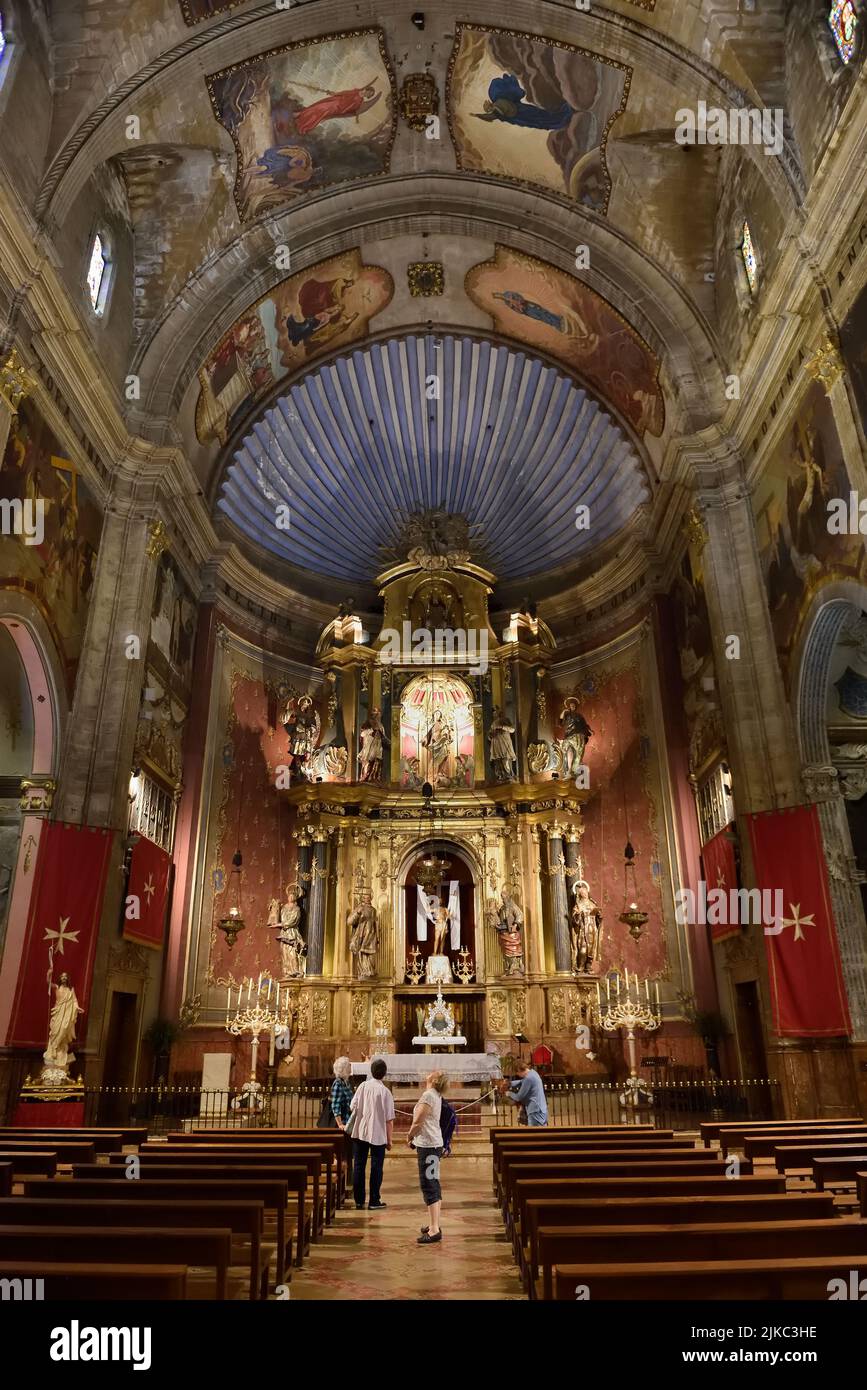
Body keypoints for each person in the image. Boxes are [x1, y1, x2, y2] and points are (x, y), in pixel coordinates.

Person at [406, 1069, 447, 1245]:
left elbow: (418, 1121)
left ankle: (434, 1230)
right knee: (433, 1183)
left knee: (429, 1184)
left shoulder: (429, 1095)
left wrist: (409, 1136)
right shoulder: (434, 1094)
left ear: (435, 1080)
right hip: (433, 1144)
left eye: (434, 1073)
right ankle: (434, 1224)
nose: (429, 1073)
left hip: (429, 1146)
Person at [349, 1057, 394, 1210]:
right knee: (376, 1167)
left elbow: (352, 1106)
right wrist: (390, 1140)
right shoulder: (386, 1092)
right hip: (378, 1134)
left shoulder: (362, 1086)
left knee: (359, 1165)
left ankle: (359, 1200)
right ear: (384, 1074)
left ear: (371, 1071)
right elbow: (389, 1119)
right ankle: (374, 1200)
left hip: (360, 1131)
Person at [505, 1062, 548, 1127]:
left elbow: (519, 1097)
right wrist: (510, 1083)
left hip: (535, 1110)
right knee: (542, 1132)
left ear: (519, 1070)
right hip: (542, 1108)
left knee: (534, 1134)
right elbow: (521, 1081)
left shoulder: (528, 1079)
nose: (518, 1075)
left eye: (517, 1073)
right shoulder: (533, 1073)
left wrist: (509, 1093)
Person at [330, 1057, 353, 1130]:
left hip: (348, 1119)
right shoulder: (338, 1083)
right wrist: (340, 1124)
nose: (351, 1066)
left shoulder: (346, 1081)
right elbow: (335, 1105)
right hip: (342, 1121)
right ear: (344, 1069)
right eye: (349, 1065)